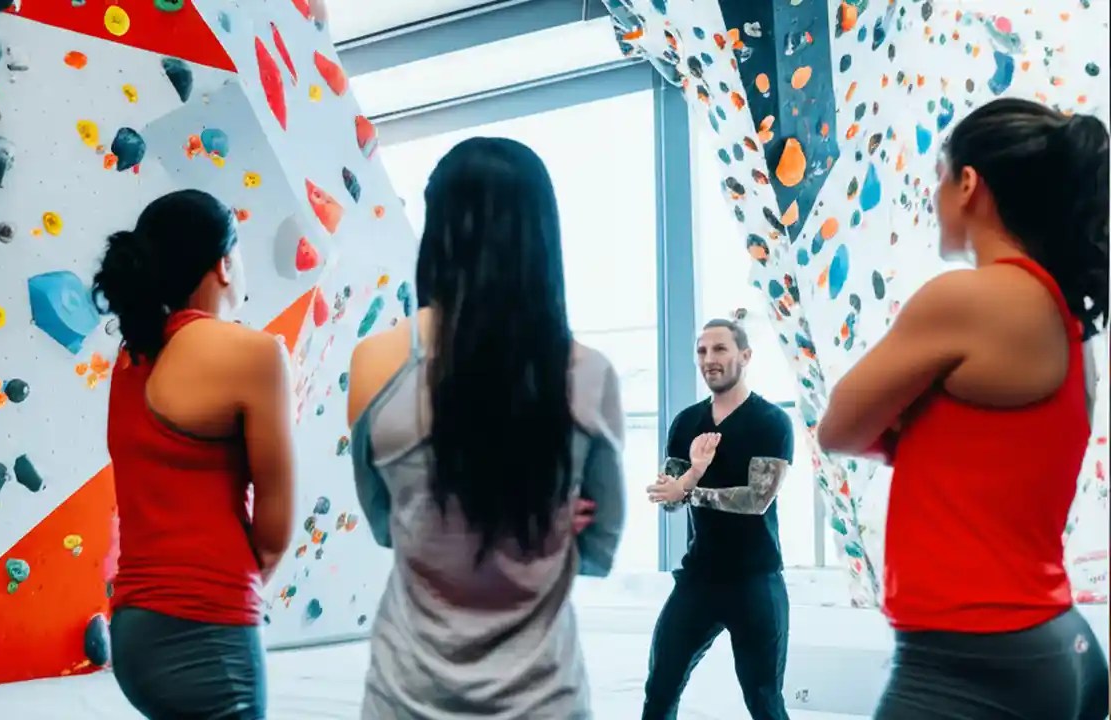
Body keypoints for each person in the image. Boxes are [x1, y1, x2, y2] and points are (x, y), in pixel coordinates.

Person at [817, 98, 1110, 720]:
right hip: (1060, 644)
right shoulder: (1068, 322)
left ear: (969, 184)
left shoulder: (969, 299)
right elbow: (980, 449)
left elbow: (840, 427)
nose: (934, 197)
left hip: (972, 664)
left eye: (939, 179)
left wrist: (903, 419)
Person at [347, 137, 626, 720]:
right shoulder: (590, 376)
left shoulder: (376, 362)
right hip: (544, 700)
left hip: (405, 697)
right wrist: (550, 519)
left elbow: (385, 525)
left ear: (438, 231)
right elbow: (599, 550)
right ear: (542, 235)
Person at [93, 189, 295, 720]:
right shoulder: (254, 353)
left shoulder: (131, 357)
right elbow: (274, 534)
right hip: (204, 627)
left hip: (132, 627)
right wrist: (222, 602)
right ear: (224, 265)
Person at [643, 318, 795, 720]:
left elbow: (756, 499)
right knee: (660, 688)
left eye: (720, 349)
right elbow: (670, 499)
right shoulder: (686, 423)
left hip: (755, 582)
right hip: (700, 579)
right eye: (702, 351)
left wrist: (689, 489)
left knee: (764, 701)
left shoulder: (771, 422)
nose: (709, 359)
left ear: (745, 356)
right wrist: (692, 474)